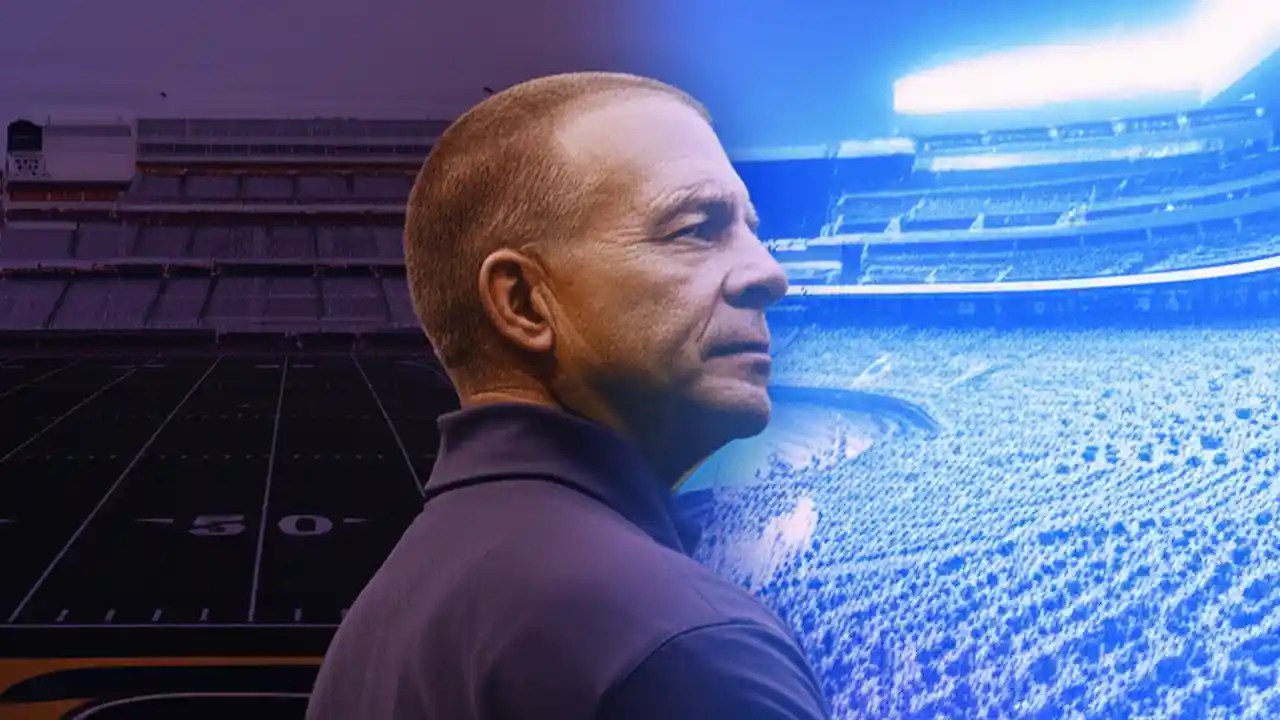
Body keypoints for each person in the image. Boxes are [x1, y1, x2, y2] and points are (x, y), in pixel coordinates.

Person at [307, 71, 831, 719]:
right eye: (697, 228)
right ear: (525, 303)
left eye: (751, 227)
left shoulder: (382, 618)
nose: (768, 273)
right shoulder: (684, 647)